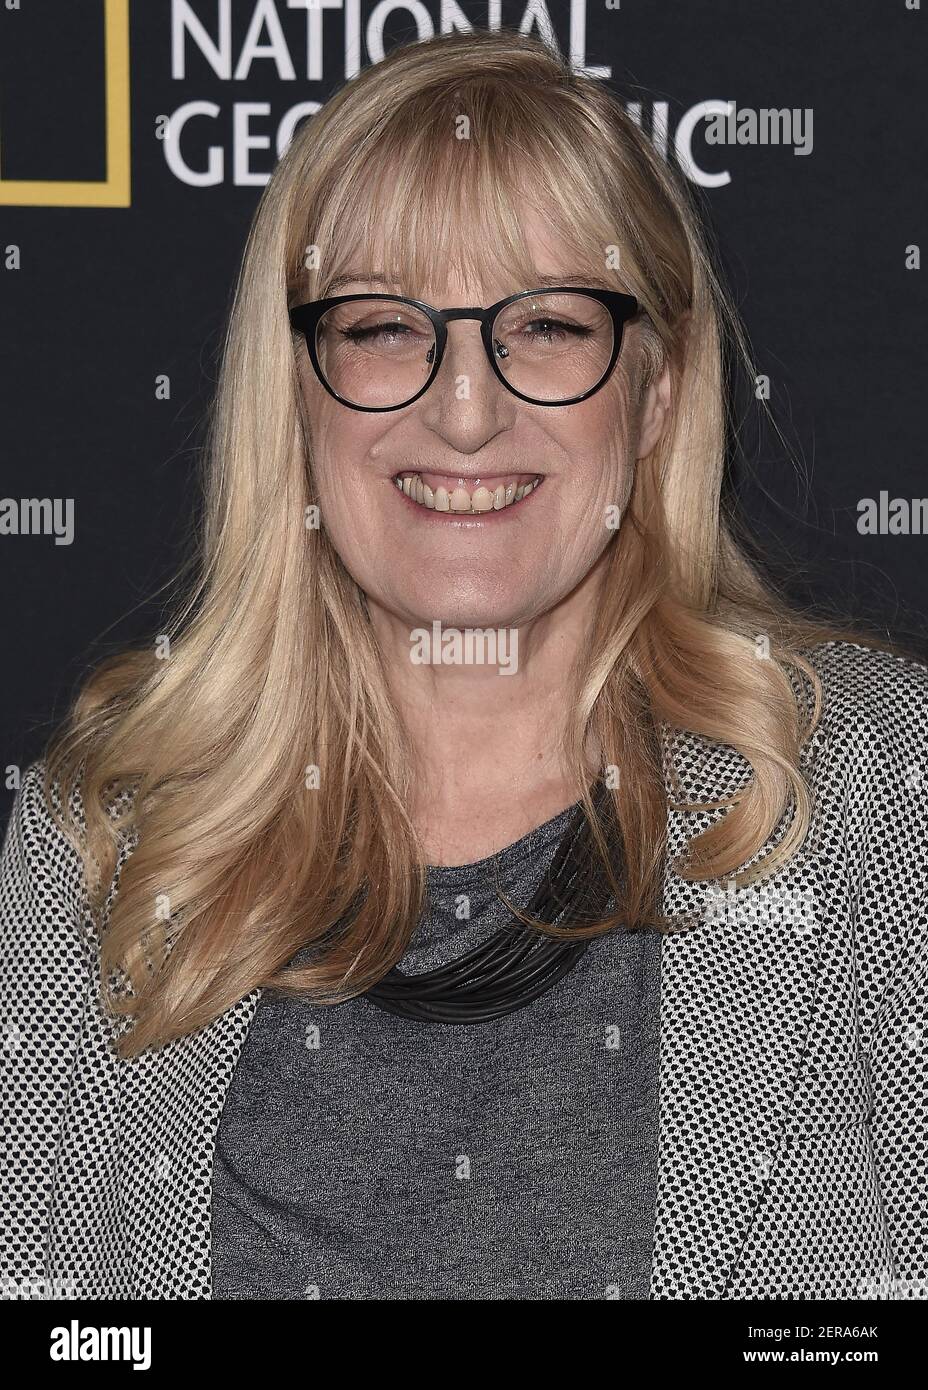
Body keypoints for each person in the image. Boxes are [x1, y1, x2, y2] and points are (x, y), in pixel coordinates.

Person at [2, 28, 926, 1302]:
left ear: (655, 392)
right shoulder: (100, 841)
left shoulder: (870, 797)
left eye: (545, 324)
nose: (466, 406)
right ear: (298, 392)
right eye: (386, 328)